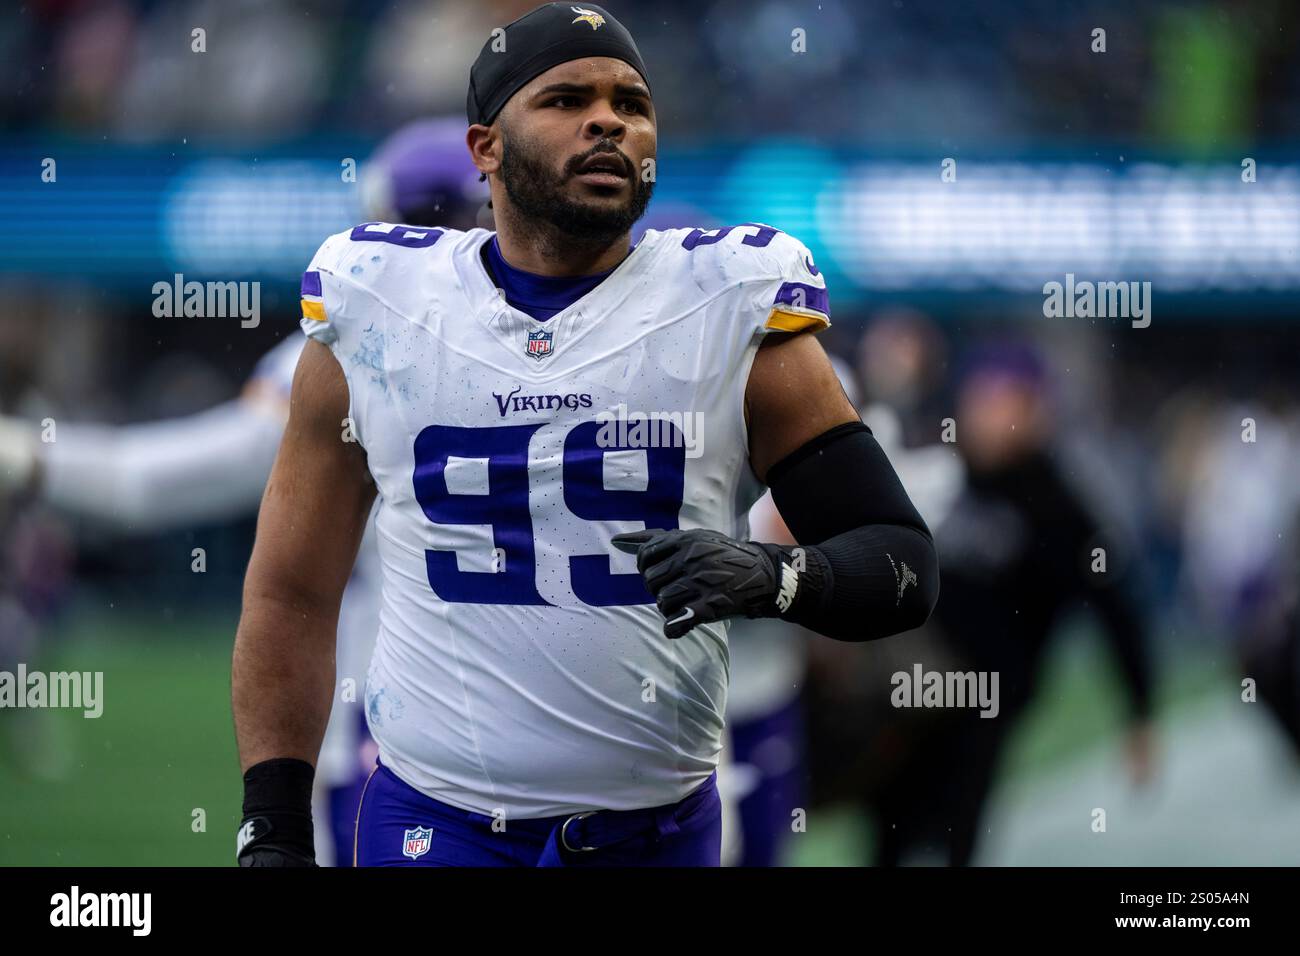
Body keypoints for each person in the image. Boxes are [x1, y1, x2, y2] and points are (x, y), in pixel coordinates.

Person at [231, 2, 939, 868]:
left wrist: (775, 578)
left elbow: (902, 562)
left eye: (631, 104)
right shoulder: (377, 307)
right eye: (566, 99)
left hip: (654, 830)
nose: (609, 119)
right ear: (485, 147)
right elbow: (291, 590)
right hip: (436, 822)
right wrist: (270, 823)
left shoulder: (728, 306)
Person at [0, 117, 485, 866]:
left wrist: (35, 461)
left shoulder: (364, 347)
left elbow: (161, 481)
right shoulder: (368, 349)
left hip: (430, 742)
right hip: (464, 748)